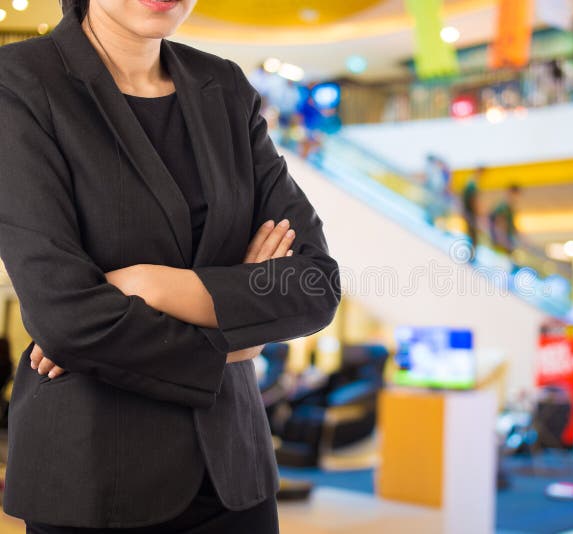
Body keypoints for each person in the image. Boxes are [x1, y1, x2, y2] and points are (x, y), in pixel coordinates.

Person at [0, 1, 341, 532]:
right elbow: (65, 317)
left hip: (234, 479)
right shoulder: (20, 81)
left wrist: (153, 286)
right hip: (94, 478)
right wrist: (237, 341)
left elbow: (314, 283)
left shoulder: (224, 86)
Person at [490, 184, 521, 254]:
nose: (516, 198)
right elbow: (500, 227)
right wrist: (505, 244)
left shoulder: (509, 208)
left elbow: (512, 227)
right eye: (515, 195)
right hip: (502, 246)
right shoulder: (503, 207)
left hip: (506, 244)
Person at [461, 166, 484, 262]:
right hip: (470, 214)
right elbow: (472, 200)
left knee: (472, 236)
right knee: (472, 237)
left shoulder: (470, 182)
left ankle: (470, 256)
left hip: (469, 213)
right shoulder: (472, 184)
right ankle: (471, 257)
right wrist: (478, 212)